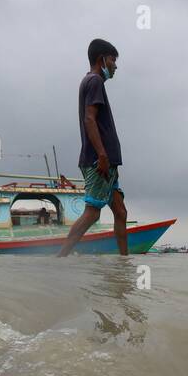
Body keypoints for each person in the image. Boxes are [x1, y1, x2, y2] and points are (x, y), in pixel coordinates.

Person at [58, 38, 129, 256]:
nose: (115, 65)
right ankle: (59, 258)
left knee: (120, 212)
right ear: (102, 60)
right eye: (113, 60)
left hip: (106, 161)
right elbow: (90, 119)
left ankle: (124, 263)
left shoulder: (91, 82)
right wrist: (102, 154)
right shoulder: (94, 81)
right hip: (99, 161)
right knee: (92, 213)